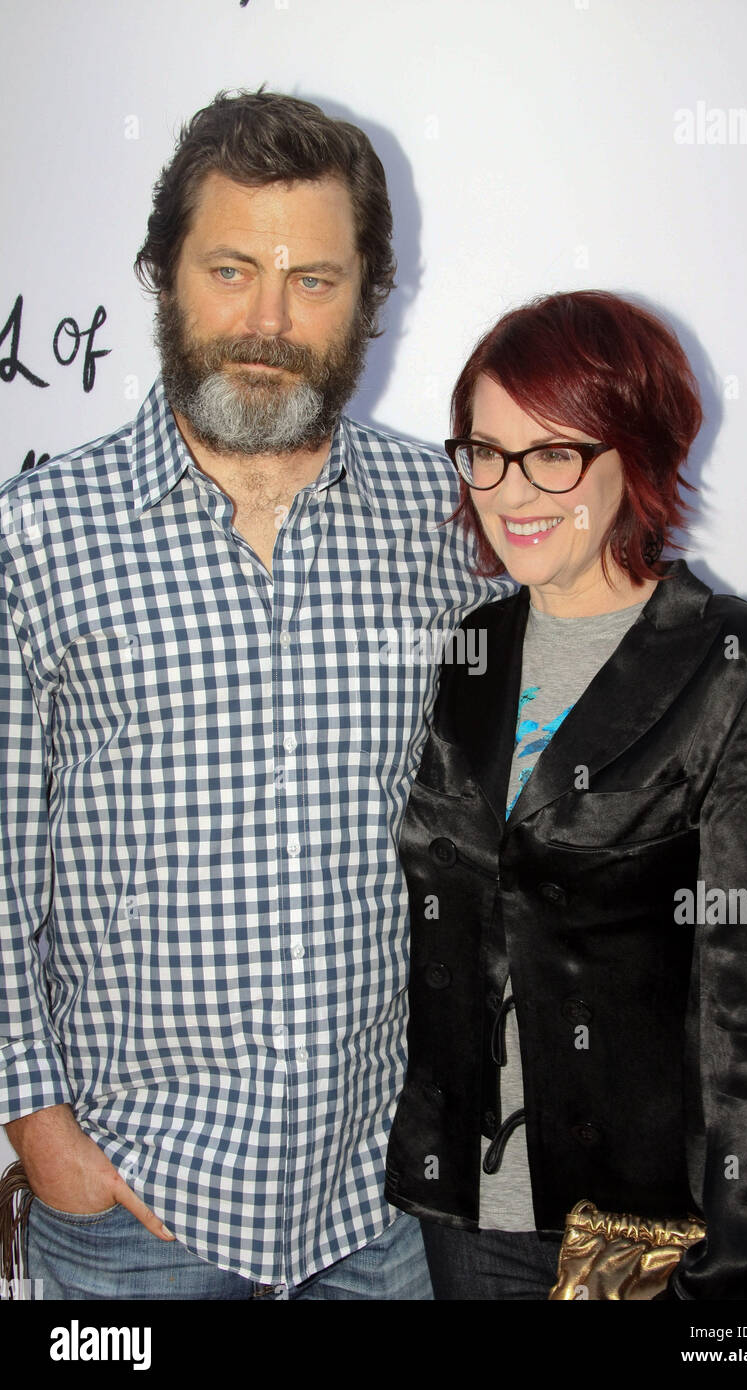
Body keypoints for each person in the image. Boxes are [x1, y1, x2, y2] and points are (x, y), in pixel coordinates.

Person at [0, 89, 514, 1300]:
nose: (268, 320)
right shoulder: (35, 539)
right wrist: (36, 1126)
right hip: (130, 1211)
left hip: (381, 1209)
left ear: (371, 297)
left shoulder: (448, 521)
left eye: (316, 280)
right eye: (230, 268)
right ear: (162, 273)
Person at [384, 290, 747, 1300]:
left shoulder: (742, 672)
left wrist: (744, 1287)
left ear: (637, 450)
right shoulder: (466, 652)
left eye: (555, 453)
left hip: (637, 1240)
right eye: (484, 453)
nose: (511, 490)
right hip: (461, 1211)